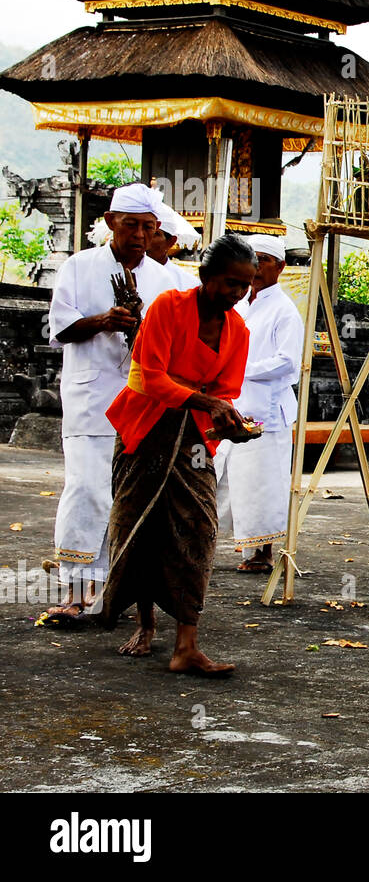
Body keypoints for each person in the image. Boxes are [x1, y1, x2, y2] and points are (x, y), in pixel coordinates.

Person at [99, 234, 254, 676]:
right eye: (229, 283)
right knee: (141, 522)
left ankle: (187, 644)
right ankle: (145, 625)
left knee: (199, 528)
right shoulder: (168, 307)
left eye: (244, 286)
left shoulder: (238, 330)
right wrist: (209, 404)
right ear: (205, 276)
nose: (236, 294)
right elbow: (151, 378)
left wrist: (229, 422)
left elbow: (227, 390)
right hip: (145, 426)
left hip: (193, 438)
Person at [41, 183, 171, 627]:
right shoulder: (78, 267)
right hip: (91, 397)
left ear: (156, 231)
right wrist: (104, 321)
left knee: (131, 497)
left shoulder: (166, 280)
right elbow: (60, 328)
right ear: (111, 222)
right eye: (130, 225)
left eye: (147, 228)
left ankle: (118, 592)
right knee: (87, 490)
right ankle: (78, 590)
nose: (138, 235)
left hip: (142, 401)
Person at [215, 233, 305, 574]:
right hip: (235, 402)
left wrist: (242, 370)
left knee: (263, 480)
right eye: (253, 259)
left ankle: (263, 551)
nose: (256, 267)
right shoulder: (238, 305)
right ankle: (225, 541)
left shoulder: (284, 311)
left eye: (263, 260)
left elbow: (288, 363)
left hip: (268, 409)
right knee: (228, 476)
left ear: (280, 267)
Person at [147, 202, 201, 292]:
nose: (143, 237)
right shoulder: (124, 272)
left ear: (171, 242)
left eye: (155, 234)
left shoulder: (187, 284)